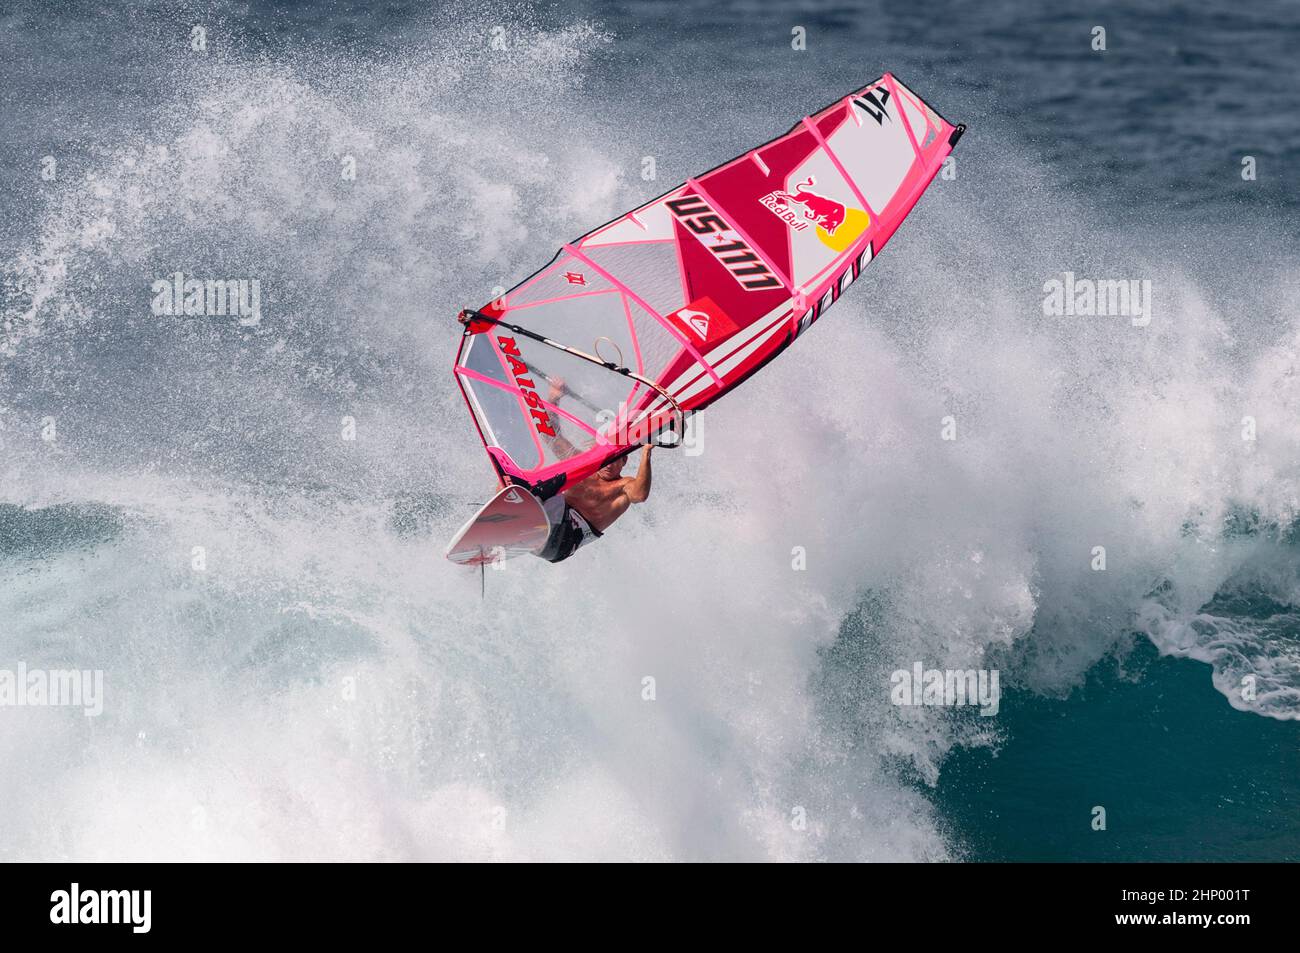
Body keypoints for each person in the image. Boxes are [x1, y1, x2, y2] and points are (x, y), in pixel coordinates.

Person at [534, 377, 653, 563]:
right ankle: (500, 532)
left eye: (614, 460)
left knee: (536, 491)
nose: (608, 465)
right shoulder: (583, 463)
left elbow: (639, 495)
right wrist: (553, 398)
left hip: (565, 541)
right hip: (545, 527)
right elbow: (549, 435)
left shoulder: (624, 485)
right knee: (513, 484)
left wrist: (646, 452)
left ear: (624, 461)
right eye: (605, 458)